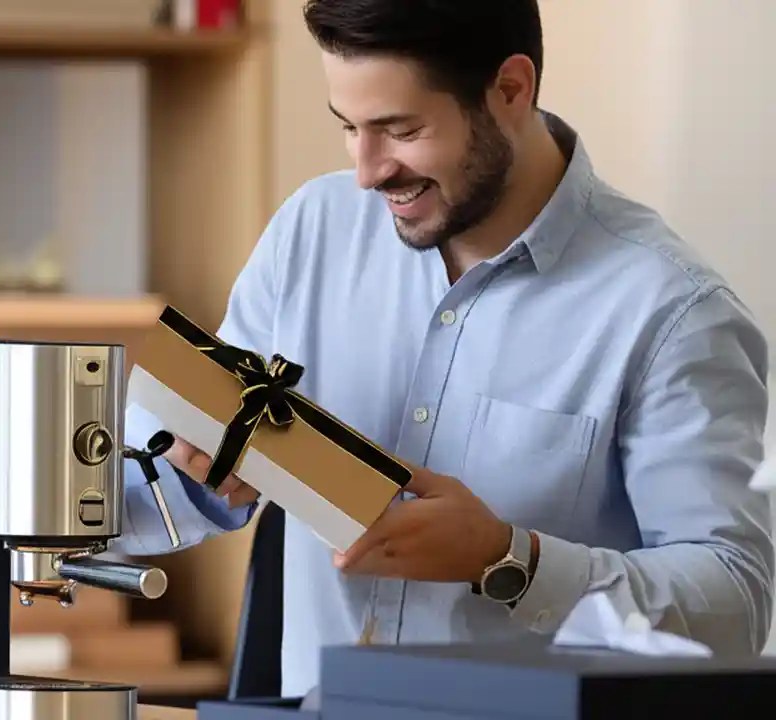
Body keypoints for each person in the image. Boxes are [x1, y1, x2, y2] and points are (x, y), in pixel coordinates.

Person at [114, 0, 775, 700]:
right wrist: (195, 477)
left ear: (512, 90)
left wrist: (506, 558)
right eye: (350, 128)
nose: (368, 172)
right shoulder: (314, 230)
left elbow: (735, 603)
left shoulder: (672, 311)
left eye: (401, 130)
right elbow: (160, 484)